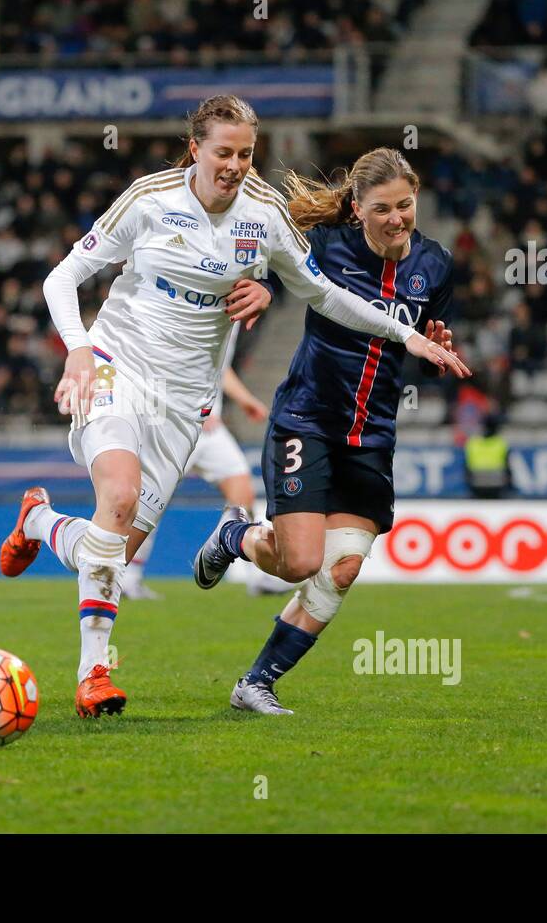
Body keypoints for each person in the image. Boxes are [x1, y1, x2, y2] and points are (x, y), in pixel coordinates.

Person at [0, 99, 465, 719]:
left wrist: (407, 337)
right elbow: (61, 277)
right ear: (195, 148)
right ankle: (93, 674)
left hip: (187, 400)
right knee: (119, 500)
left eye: (246, 154)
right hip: (118, 365)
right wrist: (79, 350)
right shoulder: (148, 199)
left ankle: (39, 521)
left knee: (111, 546)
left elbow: (322, 293)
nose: (236, 166)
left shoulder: (264, 215)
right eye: (224, 152)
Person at [193, 147, 472, 714]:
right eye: (382, 209)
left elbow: (416, 343)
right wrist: (264, 287)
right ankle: (234, 538)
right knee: (298, 561)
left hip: (373, 434)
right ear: (356, 208)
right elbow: (261, 266)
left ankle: (257, 683)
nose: (397, 219)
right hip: (307, 419)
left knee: (342, 566)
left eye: (406, 205)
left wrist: (434, 349)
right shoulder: (324, 246)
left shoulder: (436, 265)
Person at [123, 343, 294, 600]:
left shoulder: (229, 312)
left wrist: (244, 400)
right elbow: (165, 354)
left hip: (209, 428)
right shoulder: (191, 306)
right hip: (174, 421)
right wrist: (187, 407)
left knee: (242, 491)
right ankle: (127, 577)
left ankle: (256, 574)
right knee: (151, 502)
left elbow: (219, 366)